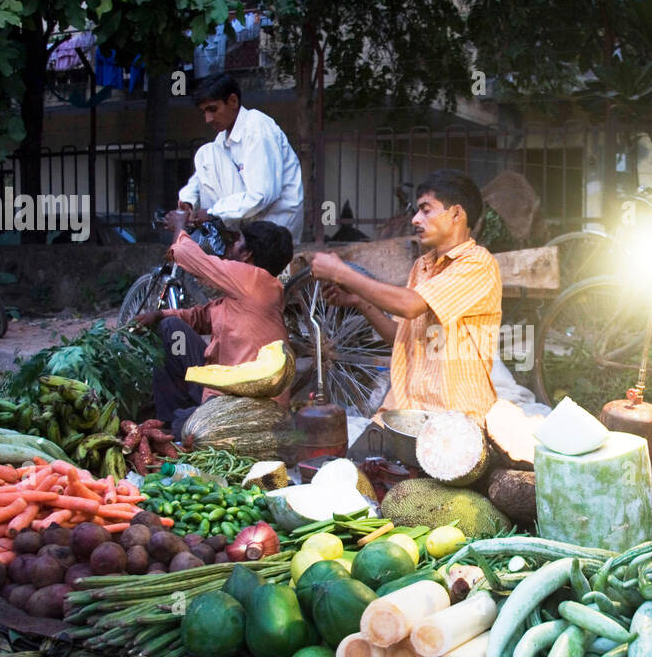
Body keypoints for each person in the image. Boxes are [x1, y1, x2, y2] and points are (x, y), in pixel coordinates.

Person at [310, 169, 501, 423]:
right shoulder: (422, 266)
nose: (414, 219)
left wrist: (341, 272)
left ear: (456, 213)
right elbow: (400, 337)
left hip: (456, 418)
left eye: (426, 209)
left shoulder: (477, 264)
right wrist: (360, 302)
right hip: (412, 413)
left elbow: (410, 306)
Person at [133, 219, 293, 435]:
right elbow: (204, 316)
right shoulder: (255, 289)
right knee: (171, 326)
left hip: (245, 403)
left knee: (184, 424)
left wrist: (180, 225)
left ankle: (173, 426)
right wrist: (160, 314)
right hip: (225, 385)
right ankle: (172, 423)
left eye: (238, 242)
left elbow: (188, 257)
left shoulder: (251, 278)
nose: (231, 247)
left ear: (247, 254)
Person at [170, 74, 305, 243]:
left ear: (233, 101)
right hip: (250, 224)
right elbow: (201, 178)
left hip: (274, 227)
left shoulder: (257, 128)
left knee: (207, 152)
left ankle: (215, 232)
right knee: (207, 153)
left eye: (213, 109)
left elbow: (262, 195)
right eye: (204, 112)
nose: (208, 119)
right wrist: (188, 202)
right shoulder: (223, 137)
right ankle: (215, 234)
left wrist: (213, 213)